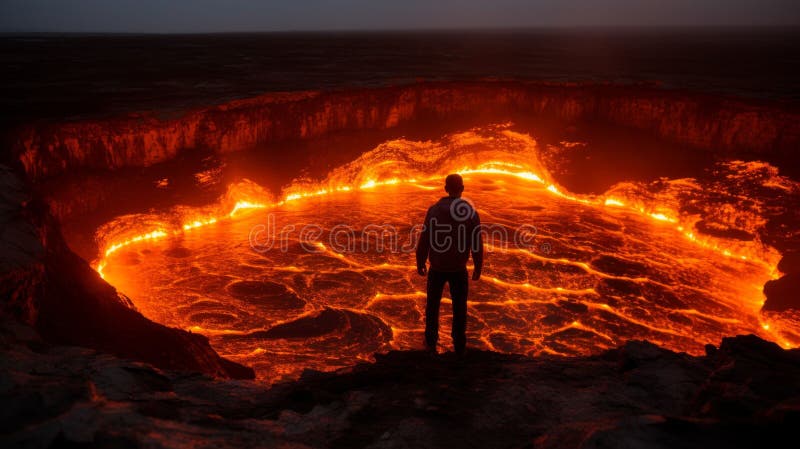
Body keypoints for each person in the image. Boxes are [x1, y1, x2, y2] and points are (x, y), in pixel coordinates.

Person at [416, 173, 483, 356]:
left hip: (437, 267)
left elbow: (425, 238)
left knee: (432, 305)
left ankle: (430, 342)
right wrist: (478, 266)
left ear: (446, 189)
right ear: (462, 189)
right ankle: (459, 344)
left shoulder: (434, 210)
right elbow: (476, 242)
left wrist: (420, 260)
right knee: (460, 307)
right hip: (458, 268)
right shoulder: (470, 212)